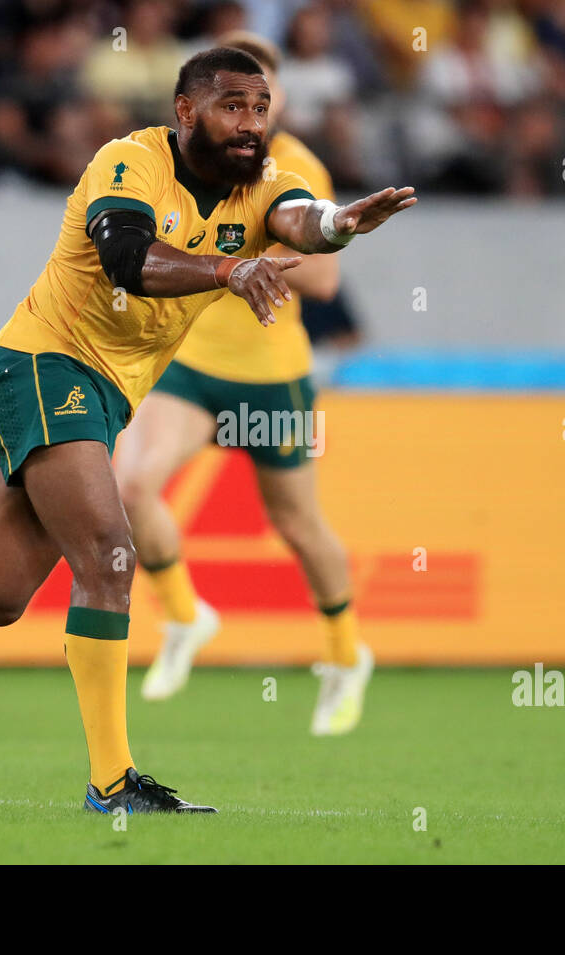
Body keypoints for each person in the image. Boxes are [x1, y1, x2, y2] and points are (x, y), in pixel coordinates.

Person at [0, 46, 416, 814]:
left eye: (259, 108)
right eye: (232, 105)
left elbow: (301, 219)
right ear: (185, 110)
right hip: (42, 364)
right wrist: (228, 272)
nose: (249, 124)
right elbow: (127, 258)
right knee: (111, 554)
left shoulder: (262, 184)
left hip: (102, 393)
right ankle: (113, 782)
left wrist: (339, 224)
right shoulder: (128, 163)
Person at [115, 32, 371, 736]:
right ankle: (187, 616)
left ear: (279, 99)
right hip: (192, 365)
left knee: (296, 524)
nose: (251, 110)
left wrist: (245, 254)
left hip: (269, 376)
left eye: (264, 93)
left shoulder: (294, 166)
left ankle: (348, 655)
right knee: (130, 484)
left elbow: (323, 277)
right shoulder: (179, 158)